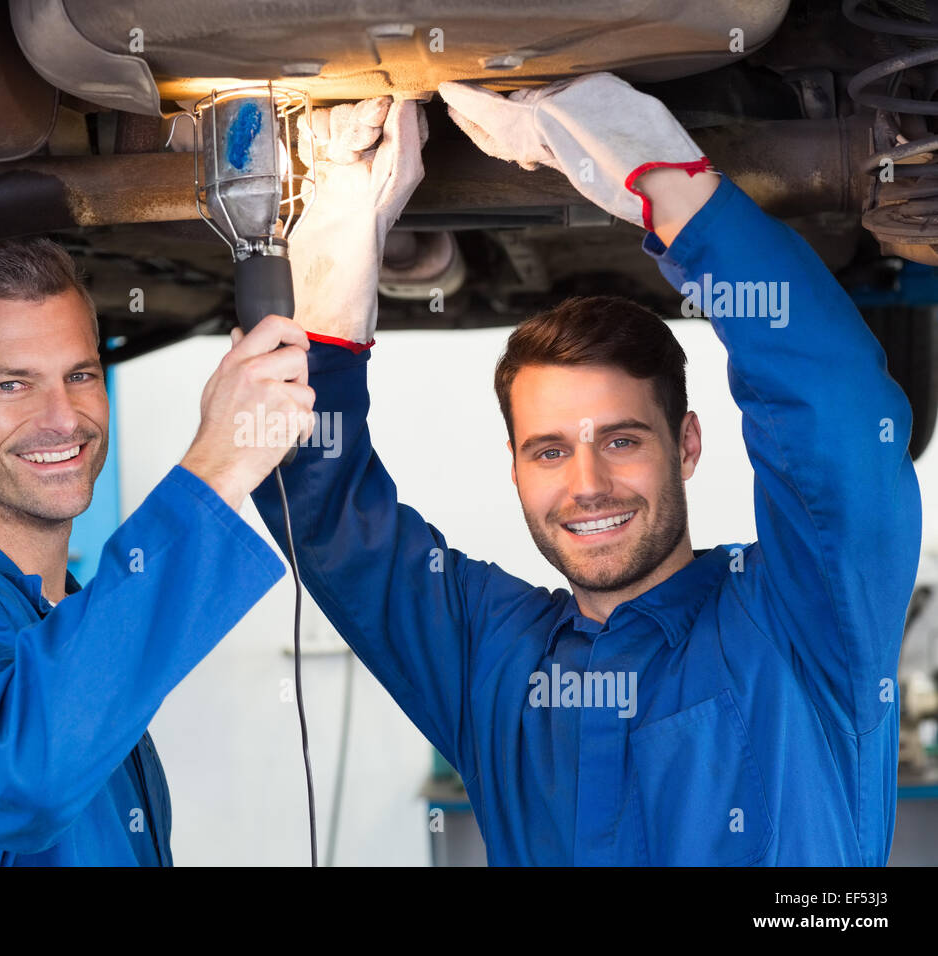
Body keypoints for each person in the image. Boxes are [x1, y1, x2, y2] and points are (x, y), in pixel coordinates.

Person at [252, 76, 923, 864]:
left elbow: (838, 413)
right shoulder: (493, 662)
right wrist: (329, 289)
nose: (587, 484)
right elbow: (323, 516)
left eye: (622, 440)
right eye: (550, 449)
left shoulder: (803, 622)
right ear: (514, 468)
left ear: (688, 445)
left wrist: (669, 184)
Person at [0, 237, 313, 865]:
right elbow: (19, 779)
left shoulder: (61, 616)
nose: (62, 417)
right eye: (12, 385)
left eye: (80, 375)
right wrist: (215, 470)